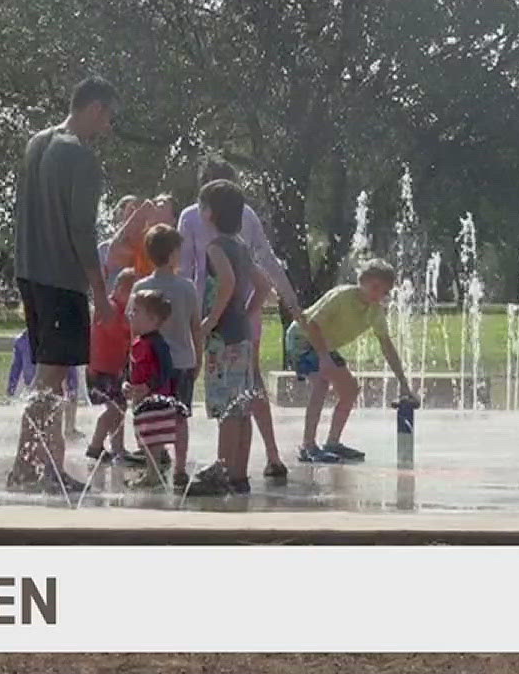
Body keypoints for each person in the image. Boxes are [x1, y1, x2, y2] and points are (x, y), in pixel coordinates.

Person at [177, 157, 313, 481]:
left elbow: (189, 270)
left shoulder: (199, 224)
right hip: (240, 320)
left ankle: (206, 465)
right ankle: (254, 464)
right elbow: (265, 270)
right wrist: (278, 304)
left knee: (217, 394)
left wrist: (204, 318)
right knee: (246, 392)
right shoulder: (241, 226)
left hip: (213, 321)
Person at [10, 76, 116, 493]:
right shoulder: (81, 157)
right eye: (108, 118)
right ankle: (26, 466)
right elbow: (82, 231)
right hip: (62, 279)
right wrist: (100, 293)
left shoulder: (37, 143)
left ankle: (46, 466)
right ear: (95, 108)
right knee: (51, 378)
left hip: (30, 272)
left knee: (50, 376)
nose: (107, 128)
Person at [187, 180, 271, 496]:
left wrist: (210, 320)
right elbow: (263, 285)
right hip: (242, 335)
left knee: (226, 407)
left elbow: (228, 281)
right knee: (241, 406)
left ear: (209, 213)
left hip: (223, 338)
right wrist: (247, 313)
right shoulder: (241, 246)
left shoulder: (216, 247)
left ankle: (222, 471)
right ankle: (239, 474)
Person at [287, 260, 416, 463]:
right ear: (362, 281)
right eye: (375, 287)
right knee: (321, 383)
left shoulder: (375, 311)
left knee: (350, 390)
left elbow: (387, 347)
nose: (378, 295)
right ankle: (308, 446)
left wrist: (403, 383)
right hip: (302, 338)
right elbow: (312, 324)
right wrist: (324, 358)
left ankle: (332, 443)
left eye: (384, 292)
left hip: (324, 345)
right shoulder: (343, 296)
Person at [130, 225, 202, 488]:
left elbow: (133, 330)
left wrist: (132, 367)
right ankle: (180, 468)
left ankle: (153, 469)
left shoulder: (141, 287)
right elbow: (196, 327)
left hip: (151, 365)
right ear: (172, 254)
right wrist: (199, 358)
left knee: (150, 417)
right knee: (180, 417)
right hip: (182, 362)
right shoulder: (187, 287)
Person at [122, 289, 181, 488]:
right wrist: (126, 382)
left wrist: (148, 386)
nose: (131, 315)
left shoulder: (157, 343)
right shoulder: (139, 341)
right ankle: (152, 470)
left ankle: (153, 474)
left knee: (152, 437)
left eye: (136, 311)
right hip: (142, 399)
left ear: (153, 319)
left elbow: (166, 369)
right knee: (144, 435)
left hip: (156, 399)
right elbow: (130, 366)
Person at [83, 268, 138, 465]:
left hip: (113, 369)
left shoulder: (121, 310)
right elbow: (118, 331)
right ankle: (95, 446)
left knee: (119, 408)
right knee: (116, 408)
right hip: (101, 370)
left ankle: (118, 448)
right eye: (133, 293)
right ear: (121, 288)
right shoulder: (110, 308)